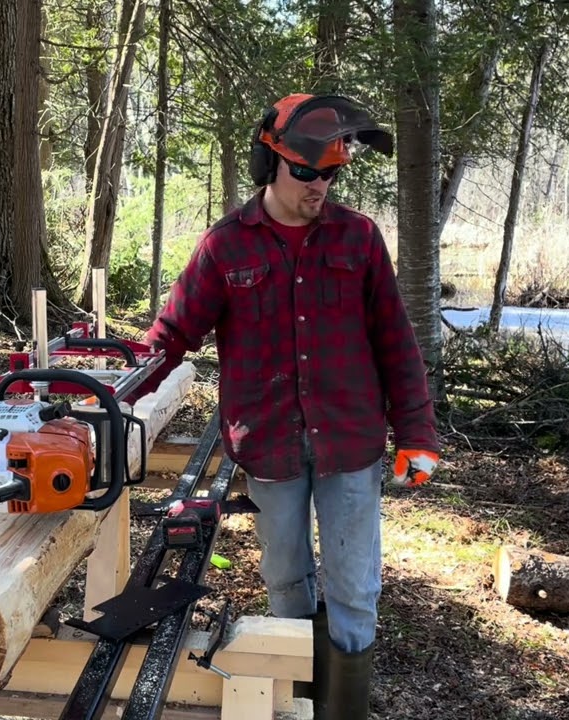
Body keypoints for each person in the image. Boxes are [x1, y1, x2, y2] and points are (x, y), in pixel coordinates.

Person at [132, 93, 441, 719]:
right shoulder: (225, 247)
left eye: (329, 173)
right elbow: (171, 336)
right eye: (305, 172)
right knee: (285, 579)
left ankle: (342, 710)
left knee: (355, 587)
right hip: (268, 442)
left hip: (349, 443)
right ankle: (297, 702)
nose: (318, 185)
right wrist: (117, 391)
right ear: (268, 162)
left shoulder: (359, 239)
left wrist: (417, 432)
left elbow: (396, 342)